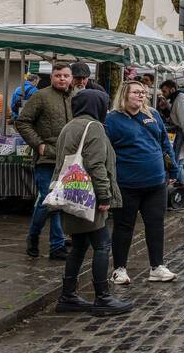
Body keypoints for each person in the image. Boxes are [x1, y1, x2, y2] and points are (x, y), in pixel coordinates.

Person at [51, 89, 132, 316]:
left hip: (72, 194)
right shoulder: (93, 127)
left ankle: (67, 296)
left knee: (78, 246)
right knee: (102, 245)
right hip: (89, 196)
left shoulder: (70, 126)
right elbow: (96, 165)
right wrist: (104, 195)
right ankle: (102, 297)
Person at [104, 79, 183, 284]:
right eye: (136, 92)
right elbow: (106, 150)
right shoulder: (112, 120)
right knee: (124, 226)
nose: (141, 95)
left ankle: (157, 267)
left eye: (143, 93)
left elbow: (165, 143)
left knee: (155, 225)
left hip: (156, 182)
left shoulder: (153, 115)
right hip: (127, 183)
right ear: (124, 94)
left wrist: (173, 166)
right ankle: (119, 269)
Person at [15, 63, 75, 259]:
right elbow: (22, 122)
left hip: (69, 160)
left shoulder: (75, 97)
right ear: (51, 77)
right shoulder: (41, 96)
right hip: (46, 158)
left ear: (71, 78)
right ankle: (52, 244)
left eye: (66, 75)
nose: (62, 79)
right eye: (58, 75)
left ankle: (39, 238)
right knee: (50, 201)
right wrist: (38, 145)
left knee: (55, 202)